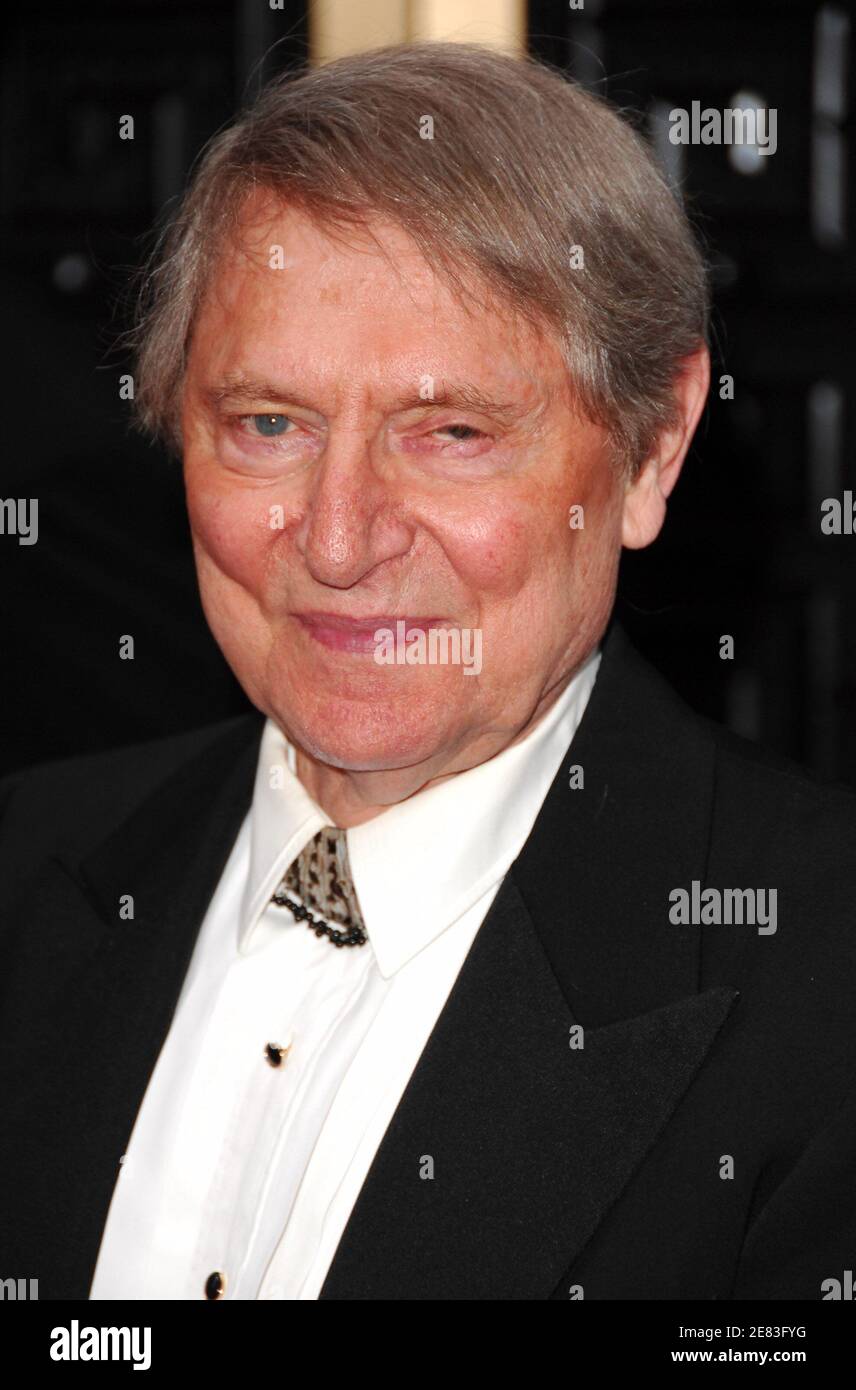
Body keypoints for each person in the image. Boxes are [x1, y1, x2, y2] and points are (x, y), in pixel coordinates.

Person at [2, 41, 855, 1302]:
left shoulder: (822, 988)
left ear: (651, 449)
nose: (339, 540)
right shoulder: (27, 864)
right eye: (269, 425)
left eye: (451, 433)